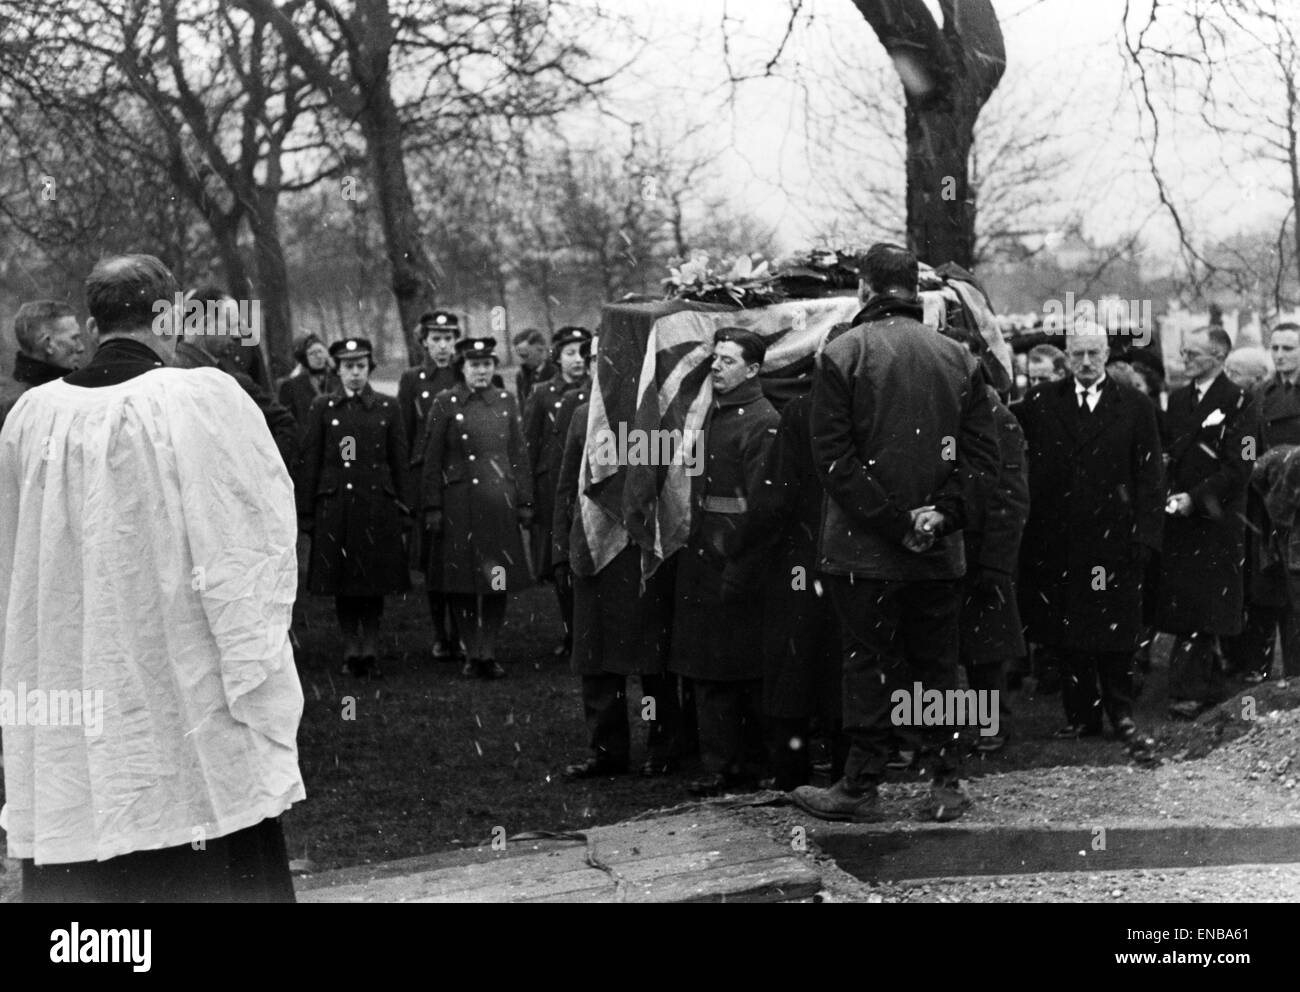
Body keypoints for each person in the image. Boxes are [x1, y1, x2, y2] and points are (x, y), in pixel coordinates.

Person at [0, 254, 303, 902]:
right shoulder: (205, 399)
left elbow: (13, 565)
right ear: (167, 317)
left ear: (90, 324)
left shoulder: (31, 417)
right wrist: (257, 668)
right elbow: (253, 545)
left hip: (76, 678)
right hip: (183, 680)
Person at [792, 243, 1000, 825]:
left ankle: (862, 786)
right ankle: (946, 781)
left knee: (868, 663)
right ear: (915, 289)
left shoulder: (842, 354)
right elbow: (984, 459)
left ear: (864, 289)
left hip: (864, 552)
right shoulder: (960, 358)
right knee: (938, 664)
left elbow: (833, 458)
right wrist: (939, 517)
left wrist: (891, 520)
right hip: (938, 552)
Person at [1015, 324, 1162, 761]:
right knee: (1070, 630)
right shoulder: (1041, 403)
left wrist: (1146, 535)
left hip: (1115, 541)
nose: (1084, 362)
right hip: (1060, 540)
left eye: (1093, 354)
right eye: (1077, 354)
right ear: (1066, 355)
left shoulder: (1134, 405)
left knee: (1114, 629)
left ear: (1105, 354)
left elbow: (1151, 477)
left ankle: (1121, 711)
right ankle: (1081, 716)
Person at [669, 328, 778, 797]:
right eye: (715, 359)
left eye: (728, 361)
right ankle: (722, 763)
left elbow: (764, 507)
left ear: (753, 370)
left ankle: (747, 763)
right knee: (708, 666)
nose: (716, 367)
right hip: (703, 555)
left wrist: (739, 564)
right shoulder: (710, 413)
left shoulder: (761, 421)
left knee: (743, 669)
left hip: (736, 559)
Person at [555, 399, 685, 779]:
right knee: (596, 662)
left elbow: (672, 484)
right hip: (595, 553)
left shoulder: (659, 412)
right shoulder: (585, 414)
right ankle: (607, 751)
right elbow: (567, 487)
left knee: (651, 664)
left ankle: (662, 746)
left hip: (644, 556)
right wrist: (560, 550)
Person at [297, 338, 412, 679]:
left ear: (369, 369)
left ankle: (371, 649)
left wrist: (406, 505)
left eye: (361, 367)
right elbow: (311, 459)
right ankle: (351, 649)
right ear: (338, 370)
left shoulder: (387, 408)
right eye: (348, 367)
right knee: (344, 584)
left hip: (376, 504)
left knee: (373, 582)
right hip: (337, 506)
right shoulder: (324, 407)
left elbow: (399, 459)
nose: (355, 374)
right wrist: (307, 510)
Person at [422, 337, 533, 679]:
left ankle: (489, 650)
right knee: (462, 581)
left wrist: (525, 501)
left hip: (498, 502)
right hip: (459, 504)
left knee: (496, 578)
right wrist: (432, 506)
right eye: (475, 365)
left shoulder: (505, 400)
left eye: (487, 364)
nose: (482, 371)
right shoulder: (445, 402)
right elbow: (432, 458)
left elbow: (519, 453)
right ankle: (472, 652)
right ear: (463, 368)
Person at [751, 388, 844, 790]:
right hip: (857, 557)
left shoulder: (804, 408)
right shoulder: (879, 405)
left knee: (793, 663)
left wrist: (748, 546)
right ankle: (849, 772)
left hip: (802, 556)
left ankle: (792, 771)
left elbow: (775, 494)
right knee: (844, 669)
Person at [1158, 327, 1253, 719]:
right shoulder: (1179, 399)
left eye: (1193, 353)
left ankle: (1193, 689)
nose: (1185, 359)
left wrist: (1195, 499)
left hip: (1215, 519)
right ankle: (1204, 685)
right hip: (1178, 518)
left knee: (1205, 604)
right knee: (1190, 603)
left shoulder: (1240, 401)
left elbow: (1239, 465)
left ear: (1218, 356)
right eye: (1183, 352)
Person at [1224, 323, 1300, 683]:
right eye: (1276, 347)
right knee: (1267, 589)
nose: (1281, 355)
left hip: (1296, 505)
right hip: (1264, 504)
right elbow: (1247, 441)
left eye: (1289, 348)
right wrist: (1252, 465)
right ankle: (1258, 671)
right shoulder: (1260, 394)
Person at [523, 326, 593, 658]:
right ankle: (570, 631)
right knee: (562, 562)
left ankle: (590, 630)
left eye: (583, 353)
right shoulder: (544, 393)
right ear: (557, 357)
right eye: (570, 353)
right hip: (555, 485)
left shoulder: (602, 393)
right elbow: (529, 445)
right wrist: (529, 494)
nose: (577, 360)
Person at [173, 288, 299, 470]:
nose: (238, 335)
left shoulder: (163, 372)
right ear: (206, 324)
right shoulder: (217, 381)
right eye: (231, 325)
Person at [398, 310, 462, 661]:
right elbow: (407, 437)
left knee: (461, 558)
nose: (443, 346)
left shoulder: (463, 375)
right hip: (427, 480)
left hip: (459, 478)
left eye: (449, 339)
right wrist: (410, 493)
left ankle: (465, 630)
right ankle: (441, 634)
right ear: (423, 342)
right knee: (434, 563)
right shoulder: (413, 380)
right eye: (436, 339)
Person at [0, 300, 86, 430]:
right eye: (74, 338)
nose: (81, 348)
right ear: (48, 344)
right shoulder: (16, 405)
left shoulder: (10, 401)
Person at [278, 332, 337, 433]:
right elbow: (286, 422)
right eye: (312, 353)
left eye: (320, 351)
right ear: (304, 358)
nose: (318, 356)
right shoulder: (291, 386)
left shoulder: (338, 380)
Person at [513, 327, 557, 400]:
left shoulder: (559, 372)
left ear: (540, 349)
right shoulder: (521, 376)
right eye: (520, 356)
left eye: (525, 355)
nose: (522, 361)